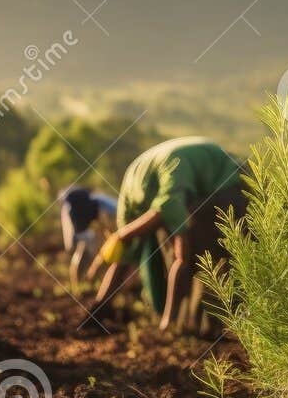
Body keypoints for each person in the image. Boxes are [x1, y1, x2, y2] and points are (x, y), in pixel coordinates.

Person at [83, 137, 245, 334]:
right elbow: (124, 253)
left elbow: (168, 210)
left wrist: (125, 235)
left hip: (224, 180)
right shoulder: (132, 203)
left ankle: (200, 325)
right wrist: (98, 307)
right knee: (178, 253)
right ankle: (177, 322)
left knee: (207, 255)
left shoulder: (169, 194)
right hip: (177, 177)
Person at [57, 184, 117, 288]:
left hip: (87, 218)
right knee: (86, 250)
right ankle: (84, 282)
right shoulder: (100, 202)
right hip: (86, 219)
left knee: (88, 249)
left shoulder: (97, 202)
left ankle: (84, 283)